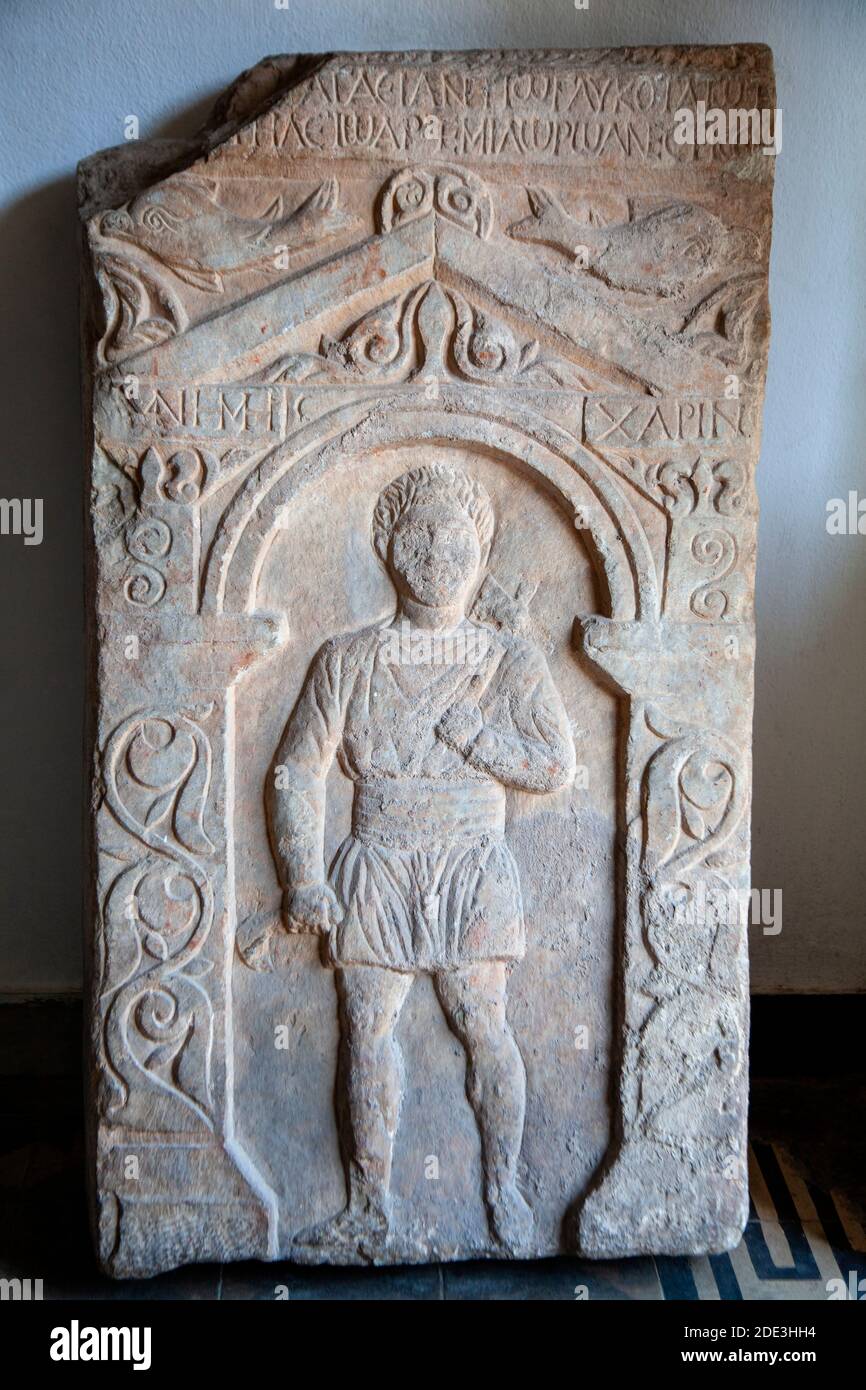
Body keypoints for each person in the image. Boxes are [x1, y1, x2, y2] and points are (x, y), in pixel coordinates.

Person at [267, 460, 574, 1258]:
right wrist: (303, 876)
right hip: (378, 861)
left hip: (471, 862)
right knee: (367, 1029)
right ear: (388, 544)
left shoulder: (508, 660)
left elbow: (554, 766)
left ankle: (504, 1187)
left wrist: (480, 738)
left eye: (455, 537)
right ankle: (369, 1205)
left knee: (483, 1024)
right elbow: (298, 768)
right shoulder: (347, 657)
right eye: (420, 535)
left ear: (481, 548)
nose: (438, 553)